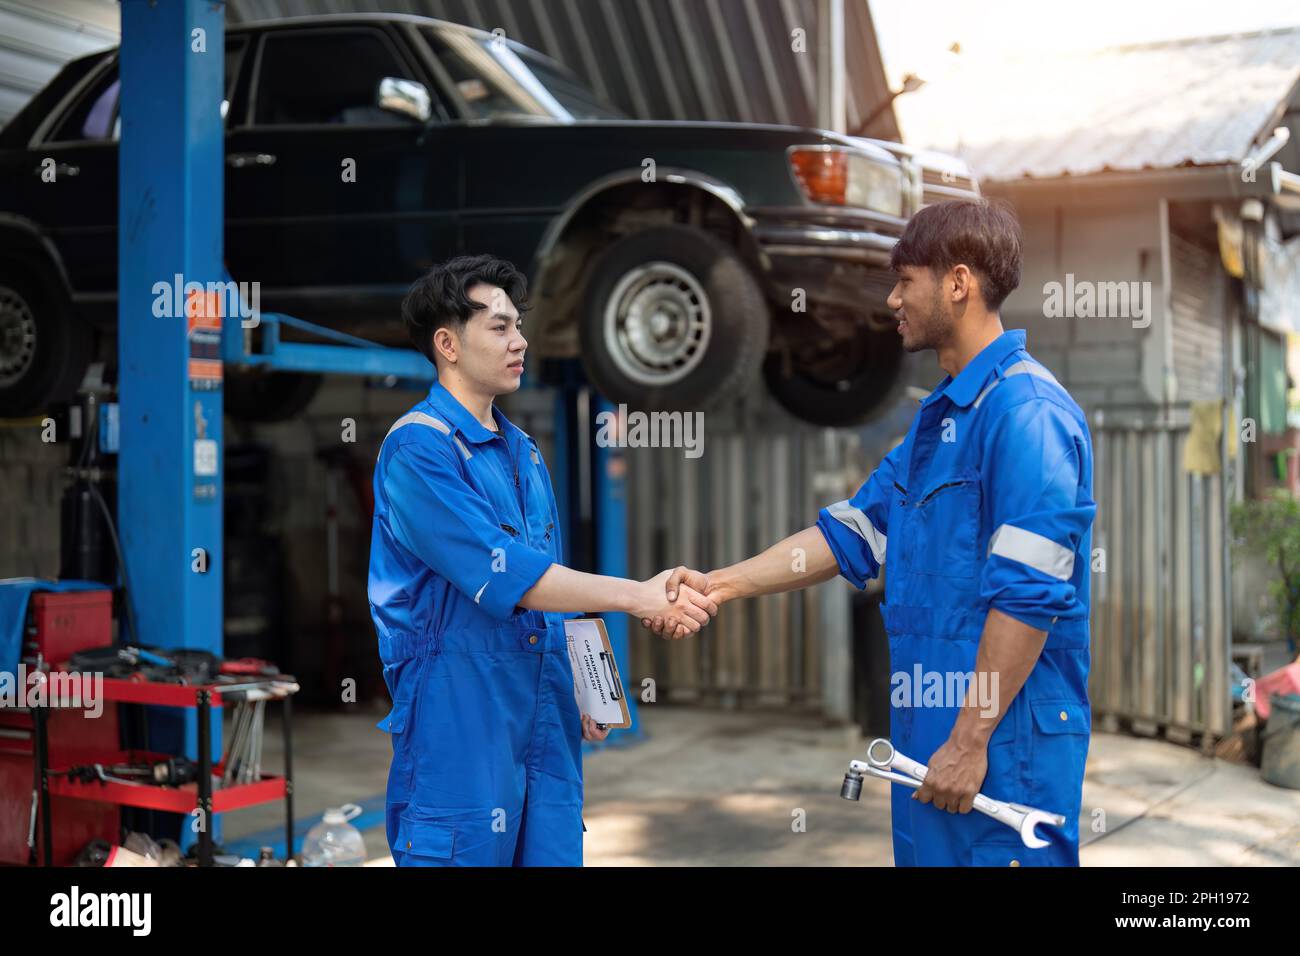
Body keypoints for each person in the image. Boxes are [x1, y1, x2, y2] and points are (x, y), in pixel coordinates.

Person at [648, 199, 1096, 866]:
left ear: (959, 282)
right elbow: (847, 538)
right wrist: (718, 586)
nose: (892, 300)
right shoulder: (937, 421)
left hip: (1001, 749)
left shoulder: (1026, 415)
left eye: (904, 280)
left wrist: (970, 740)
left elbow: (1028, 597)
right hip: (929, 734)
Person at [369, 255, 717, 866]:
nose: (520, 340)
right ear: (447, 344)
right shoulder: (416, 451)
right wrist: (638, 594)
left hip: (544, 708)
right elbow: (509, 573)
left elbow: (553, 575)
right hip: (461, 716)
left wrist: (594, 684)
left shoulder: (521, 450)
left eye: (518, 324)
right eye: (499, 327)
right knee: (459, 851)